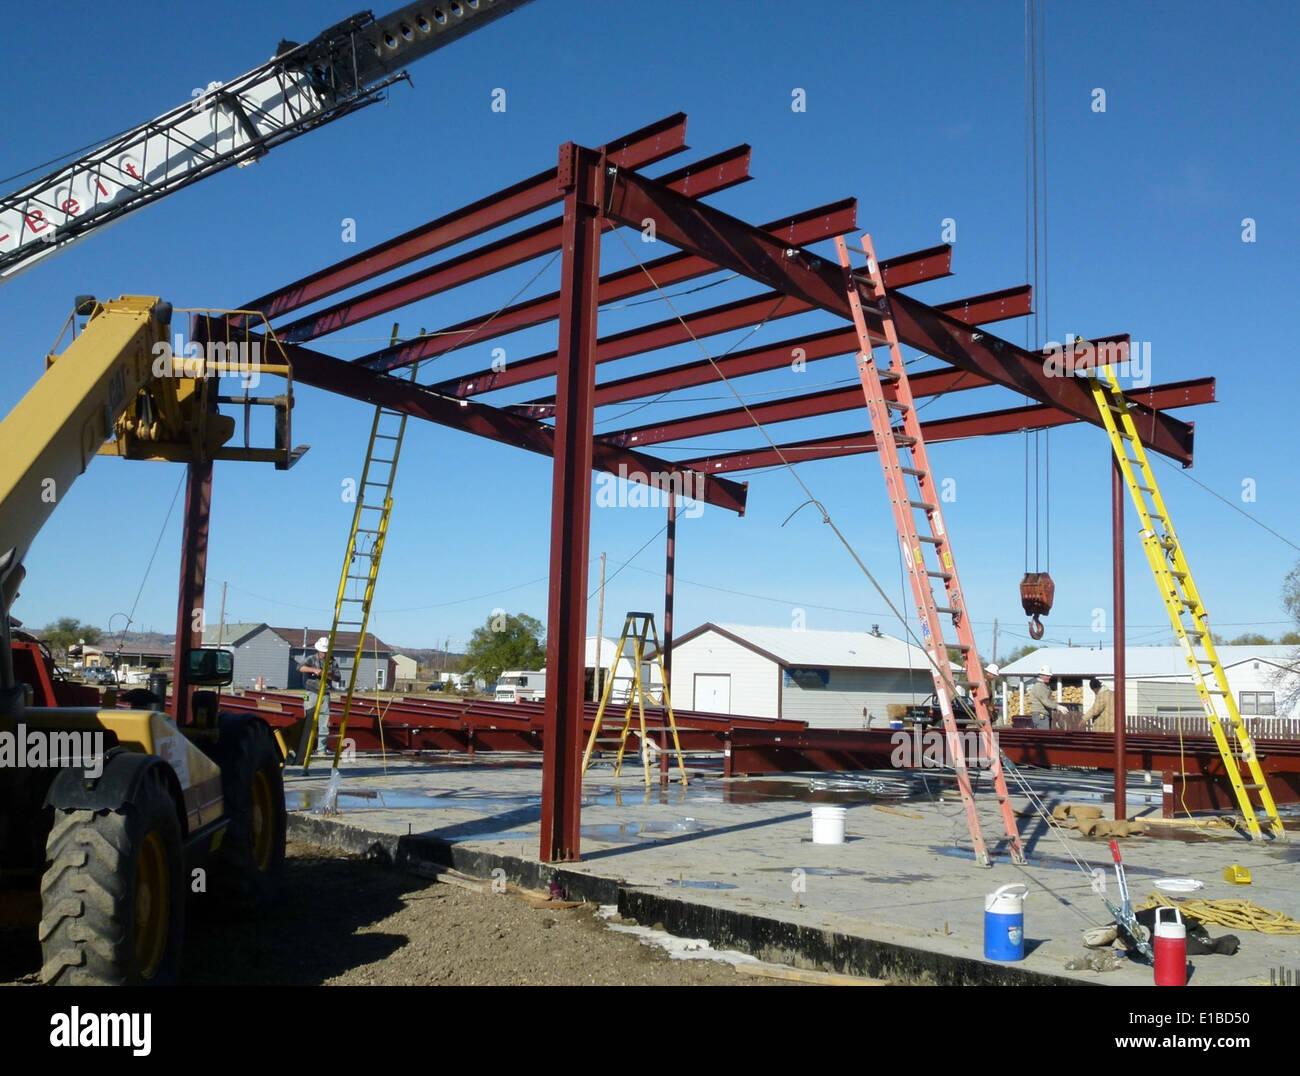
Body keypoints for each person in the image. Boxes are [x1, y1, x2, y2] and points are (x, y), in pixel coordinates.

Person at [298, 637, 339, 756]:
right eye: (322, 652)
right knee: (309, 722)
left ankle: (321, 750)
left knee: (324, 724)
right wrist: (314, 670)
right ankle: (306, 749)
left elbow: (337, 677)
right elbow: (300, 668)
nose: (324, 654)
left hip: (325, 694)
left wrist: (329, 674)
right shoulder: (311, 659)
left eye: (325, 652)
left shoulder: (333, 661)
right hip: (311, 693)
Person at [1026, 665, 1068, 730]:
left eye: (1050, 676)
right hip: (1041, 715)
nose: (1049, 677)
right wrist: (1057, 707)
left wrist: (1057, 705)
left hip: (1043, 714)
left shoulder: (1044, 686)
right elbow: (1046, 701)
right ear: (1041, 676)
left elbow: (1050, 699)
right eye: (1048, 676)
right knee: (1044, 736)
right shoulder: (1039, 686)